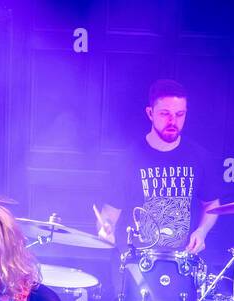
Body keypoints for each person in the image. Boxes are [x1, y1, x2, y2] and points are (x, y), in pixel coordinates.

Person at [94, 78, 223, 253]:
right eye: (165, 114)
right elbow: (109, 214)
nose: (173, 121)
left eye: (179, 114)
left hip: (181, 260)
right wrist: (105, 227)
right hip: (137, 260)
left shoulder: (199, 157)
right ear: (150, 113)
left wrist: (202, 232)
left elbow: (211, 205)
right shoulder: (127, 159)